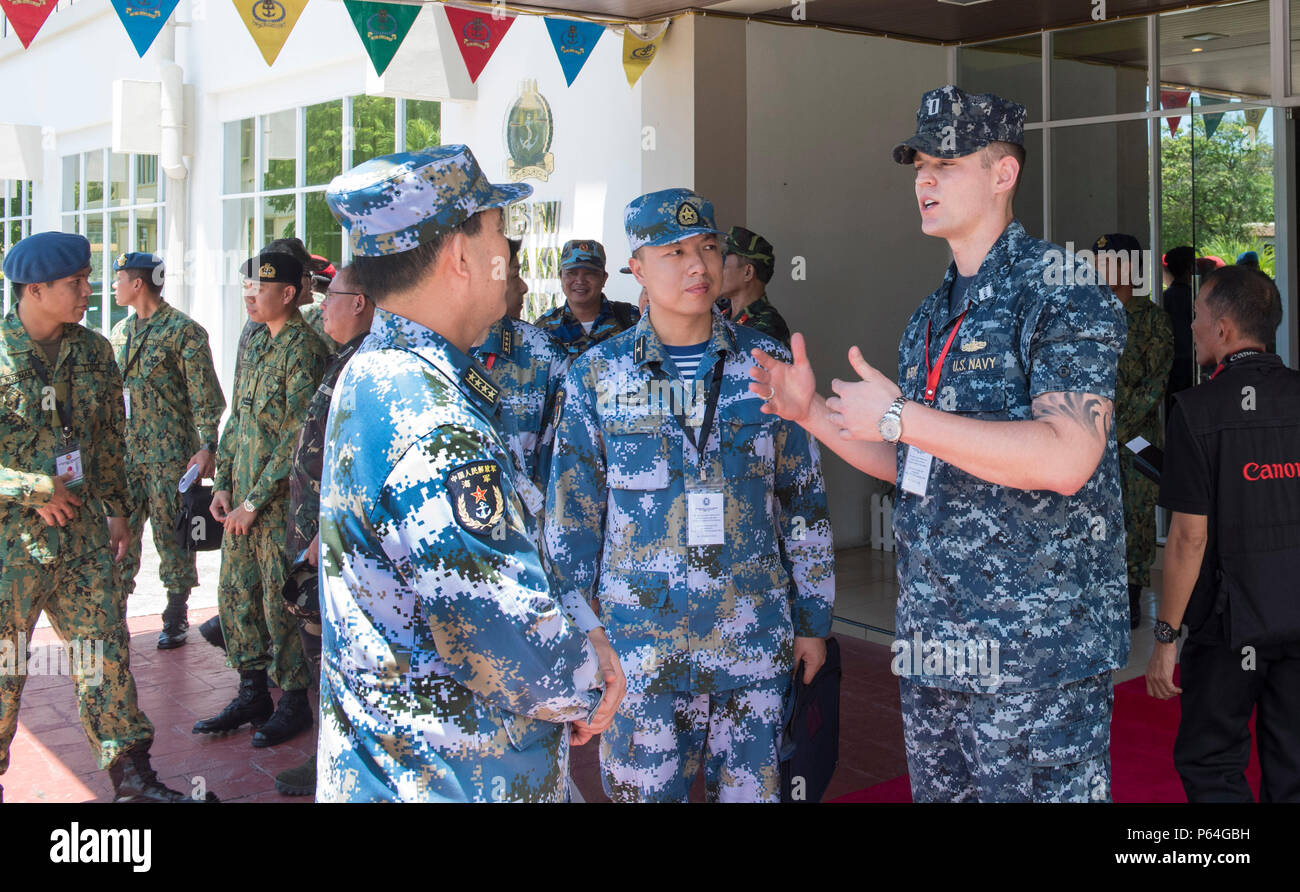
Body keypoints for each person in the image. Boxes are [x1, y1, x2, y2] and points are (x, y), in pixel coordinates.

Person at [751, 85, 1127, 802]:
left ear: (1002, 173)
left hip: (1033, 658)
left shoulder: (1062, 287)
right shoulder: (932, 314)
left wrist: (903, 416)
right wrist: (810, 416)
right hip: (935, 650)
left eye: (946, 162)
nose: (924, 179)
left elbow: (1069, 457)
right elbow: (915, 462)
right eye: (918, 164)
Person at [317, 144, 624, 802]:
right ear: (458, 256)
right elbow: (510, 646)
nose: (507, 254)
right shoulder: (434, 420)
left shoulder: (380, 370)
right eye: (496, 234)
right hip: (448, 780)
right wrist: (590, 678)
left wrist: (579, 625)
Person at [545, 188, 836, 803]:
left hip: (752, 643)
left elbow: (802, 498)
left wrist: (814, 621)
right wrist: (578, 635)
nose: (698, 266)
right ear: (638, 269)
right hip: (640, 655)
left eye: (707, 248)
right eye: (673, 252)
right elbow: (572, 521)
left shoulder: (766, 365)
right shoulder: (597, 376)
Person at [0, 231, 202, 802]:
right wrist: (35, 487)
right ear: (34, 289)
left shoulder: (92, 351)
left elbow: (111, 439)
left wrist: (118, 510)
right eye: (75, 283)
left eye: (89, 279)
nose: (89, 291)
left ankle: (133, 779)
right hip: (10, 547)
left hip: (84, 539)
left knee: (105, 655)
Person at [1146, 265, 1300, 802]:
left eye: (1198, 317)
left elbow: (1189, 538)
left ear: (1226, 329)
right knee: (1293, 763)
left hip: (1229, 627)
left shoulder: (1196, 409)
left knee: (1213, 763)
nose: (1191, 327)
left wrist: (1166, 638)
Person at [195, 251, 329, 747]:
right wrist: (225, 483)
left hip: (276, 509)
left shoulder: (304, 349)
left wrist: (253, 500)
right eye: (245, 287)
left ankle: (293, 701)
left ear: (289, 294)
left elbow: (298, 435)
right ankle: (252, 690)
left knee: (279, 605)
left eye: (259, 287)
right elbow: (239, 419)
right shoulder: (255, 340)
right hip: (242, 506)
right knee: (236, 596)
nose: (249, 295)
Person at [273, 264, 374, 797]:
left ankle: (343, 769)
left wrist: (324, 533)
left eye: (329, 295)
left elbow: (357, 462)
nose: (320, 305)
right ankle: (329, 759)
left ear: (359, 302)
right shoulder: (342, 360)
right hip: (314, 544)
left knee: (338, 663)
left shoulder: (368, 366)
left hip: (331, 547)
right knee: (320, 657)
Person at [108, 252, 226, 649]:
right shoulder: (120, 333)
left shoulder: (184, 332)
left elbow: (205, 397)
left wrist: (207, 444)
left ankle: (176, 613)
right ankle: (116, 615)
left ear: (137, 284)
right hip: (126, 457)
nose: (114, 285)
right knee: (120, 534)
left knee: (171, 537)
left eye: (119, 278)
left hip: (170, 457)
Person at [1093, 234, 1173, 629]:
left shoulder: (1152, 319)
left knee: (1136, 517)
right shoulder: (1085, 314)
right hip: (1090, 435)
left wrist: (1116, 428)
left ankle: (1131, 593)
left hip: (1135, 440)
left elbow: (1155, 384)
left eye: (1112, 261)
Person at [471, 238, 569, 499]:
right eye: (514, 275)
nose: (524, 287)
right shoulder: (421, 355)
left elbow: (560, 473)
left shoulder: (544, 356)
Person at [534, 239, 639, 355]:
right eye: (572, 273)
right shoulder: (543, 329)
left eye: (590, 273)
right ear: (561, 277)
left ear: (604, 278)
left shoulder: (633, 319)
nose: (580, 281)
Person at [718, 225, 791, 346]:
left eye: (722, 266)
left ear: (748, 272)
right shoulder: (721, 312)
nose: (715, 273)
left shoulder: (768, 327)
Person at [1162, 246, 1197, 410]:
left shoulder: (1163, 299)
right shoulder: (1196, 298)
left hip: (1170, 368)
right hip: (1191, 366)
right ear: (1190, 269)